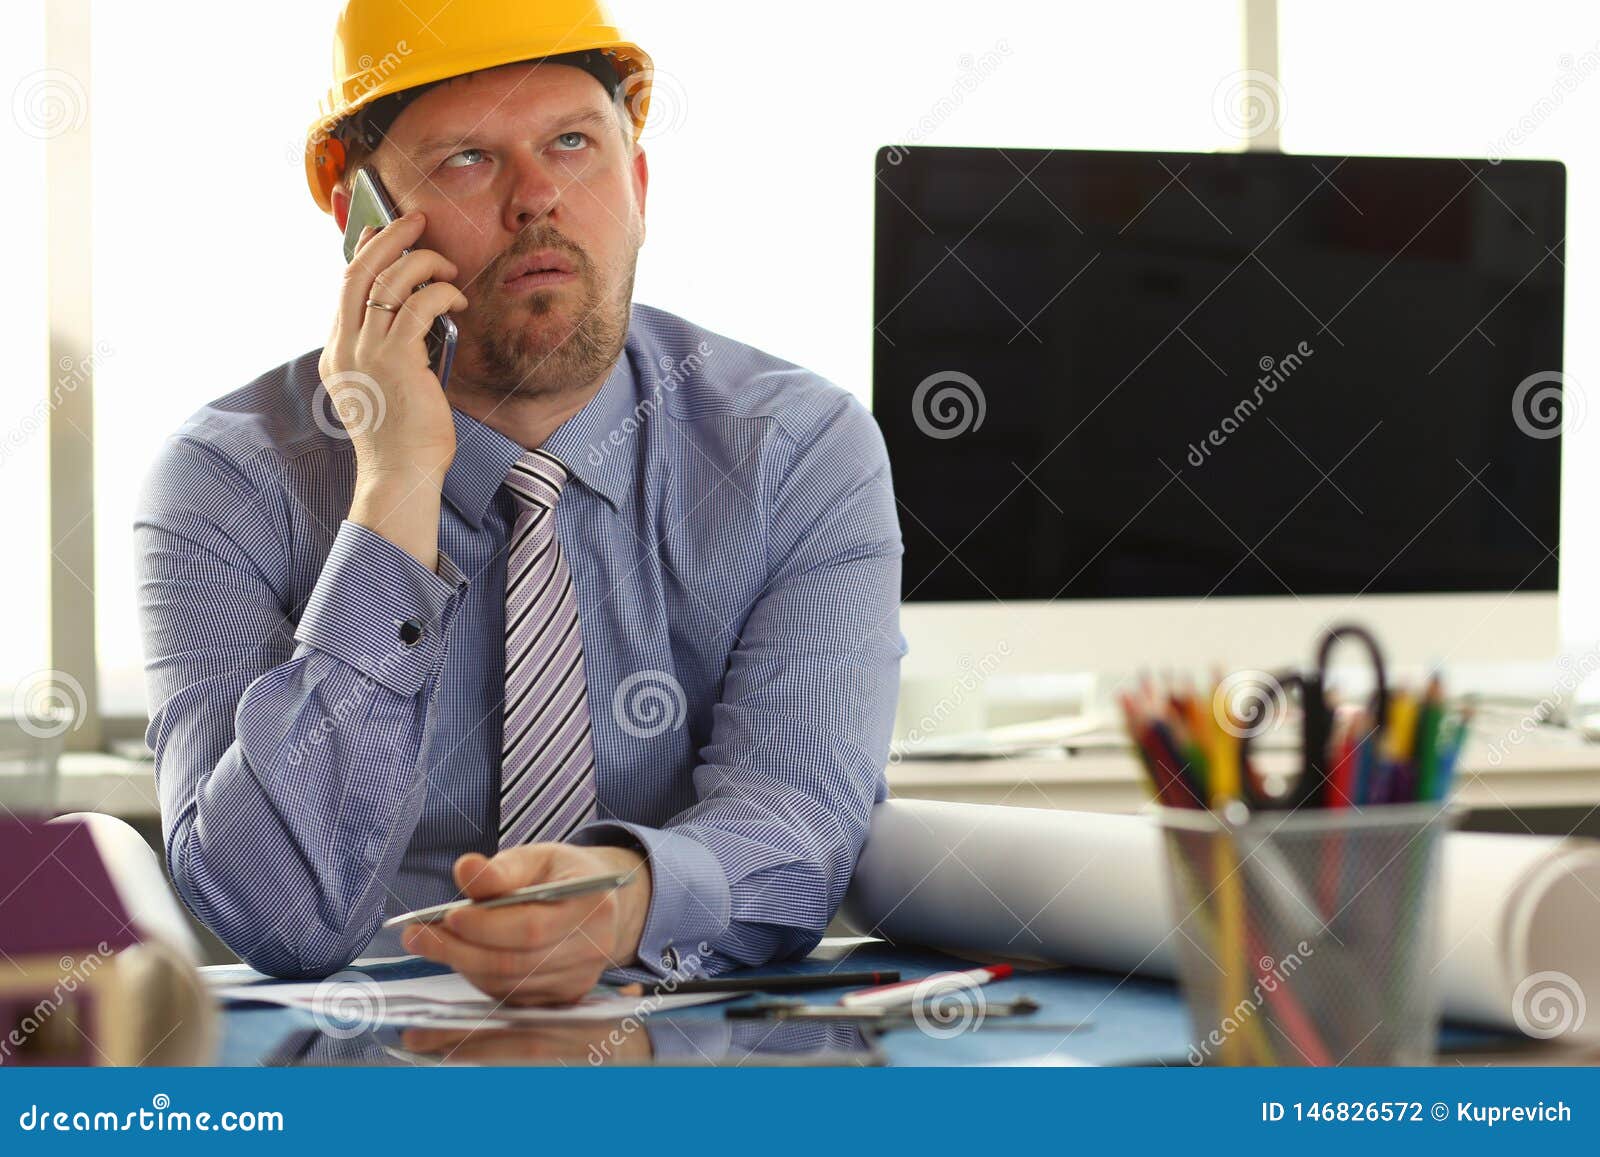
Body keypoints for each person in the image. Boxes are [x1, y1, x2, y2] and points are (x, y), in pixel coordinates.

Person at [134, 0, 903, 1005]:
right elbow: (276, 916)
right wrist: (396, 486)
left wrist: (624, 900)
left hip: (676, 1035)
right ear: (363, 222)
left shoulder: (795, 451)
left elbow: (803, 824)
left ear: (637, 183)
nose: (538, 198)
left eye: (573, 144)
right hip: (361, 1053)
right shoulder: (226, 479)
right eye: (467, 159)